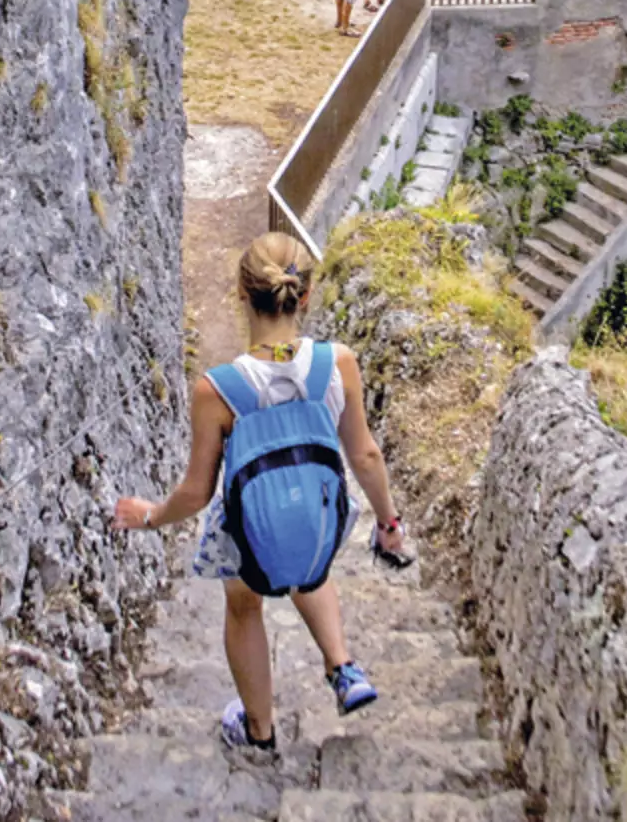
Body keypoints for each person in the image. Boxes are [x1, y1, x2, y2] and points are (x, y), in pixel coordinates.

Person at [112, 232, 410, 758]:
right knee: (307, 566)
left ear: (241, 295)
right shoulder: (338, 363)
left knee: (243, 604)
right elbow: (365, 456)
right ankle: (342, 666)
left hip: (250, 534)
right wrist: (388, 526)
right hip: (321, 517)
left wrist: (150, 516)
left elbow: (197, 492)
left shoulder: (218, 388)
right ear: (306, 294)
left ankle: (259, 729)